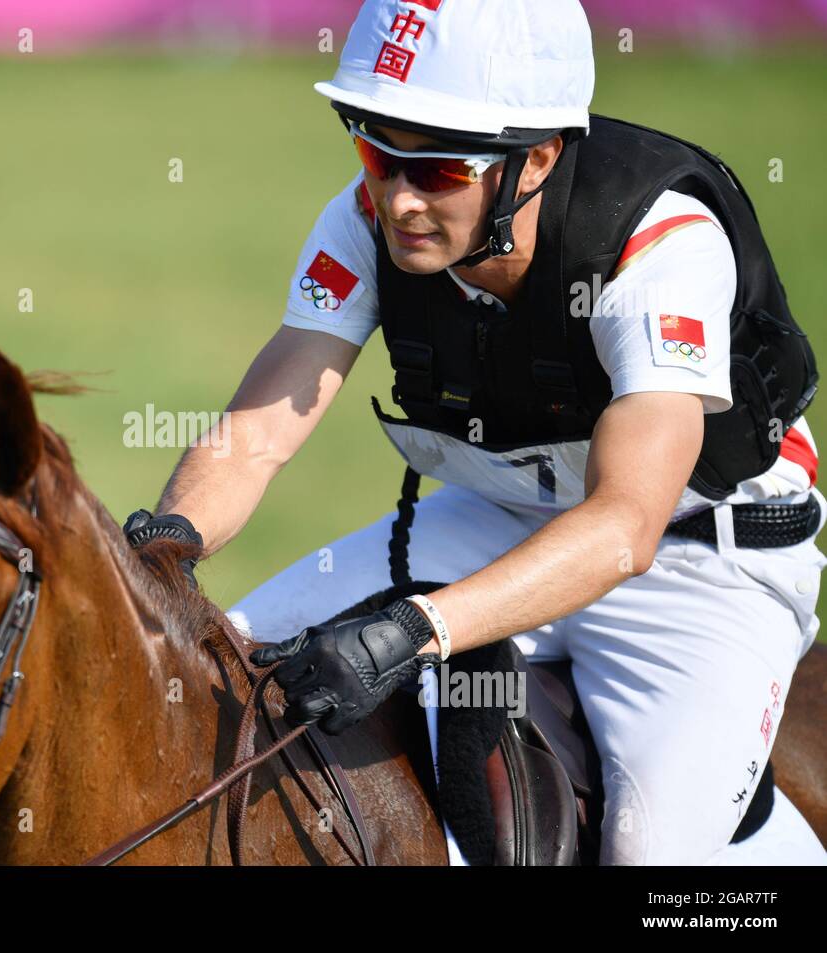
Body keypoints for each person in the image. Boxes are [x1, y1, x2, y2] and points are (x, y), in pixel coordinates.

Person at [123, 0, 823, 864]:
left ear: (536, 156)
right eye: (376, 150)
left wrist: (415, 630)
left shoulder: (664, 243)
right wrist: (166, 545)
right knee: (221, 694)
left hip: (700, 557)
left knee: (650, 857)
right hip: (496, 516)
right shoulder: (365, 219)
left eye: (441, 170)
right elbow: (257, 436)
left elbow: (623, 527)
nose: (401, 199)